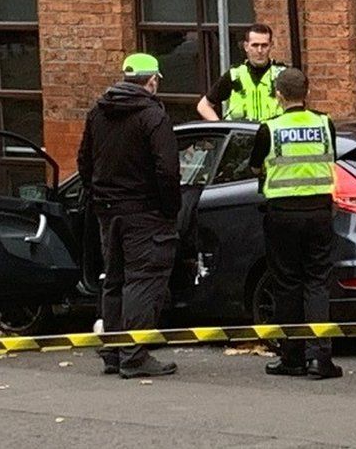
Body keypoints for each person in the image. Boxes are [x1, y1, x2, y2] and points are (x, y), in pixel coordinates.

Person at [77, 53, 181, 379]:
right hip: (145, 213)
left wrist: (98, 195)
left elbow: (84, 161)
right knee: (142, 280)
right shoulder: (152, 115)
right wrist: (169, 208)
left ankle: (112, 350)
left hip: (108, 212)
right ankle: (134, 355)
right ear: (151, 81)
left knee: (115, 280)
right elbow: (168, 169)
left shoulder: (98, 112)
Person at [249, 68, 342, 379]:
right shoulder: (324, 123)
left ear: (278, 95)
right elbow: (333, 159)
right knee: (317, 283)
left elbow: (253, 165)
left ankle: (291, 358)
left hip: (283, 215)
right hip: (319, 213)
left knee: (287, 284)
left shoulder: (270, 129)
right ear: (308, 92)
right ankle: (320, 358)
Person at [196, 23, 287, 121]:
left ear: (271, 46)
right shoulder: (235, 75)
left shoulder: (283, 75)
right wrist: (222, 127)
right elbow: (203, 106)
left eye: (264, 45)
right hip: (242, 134)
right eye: (255, 45)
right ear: (246, 46)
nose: (260, 50)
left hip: (272, 134)